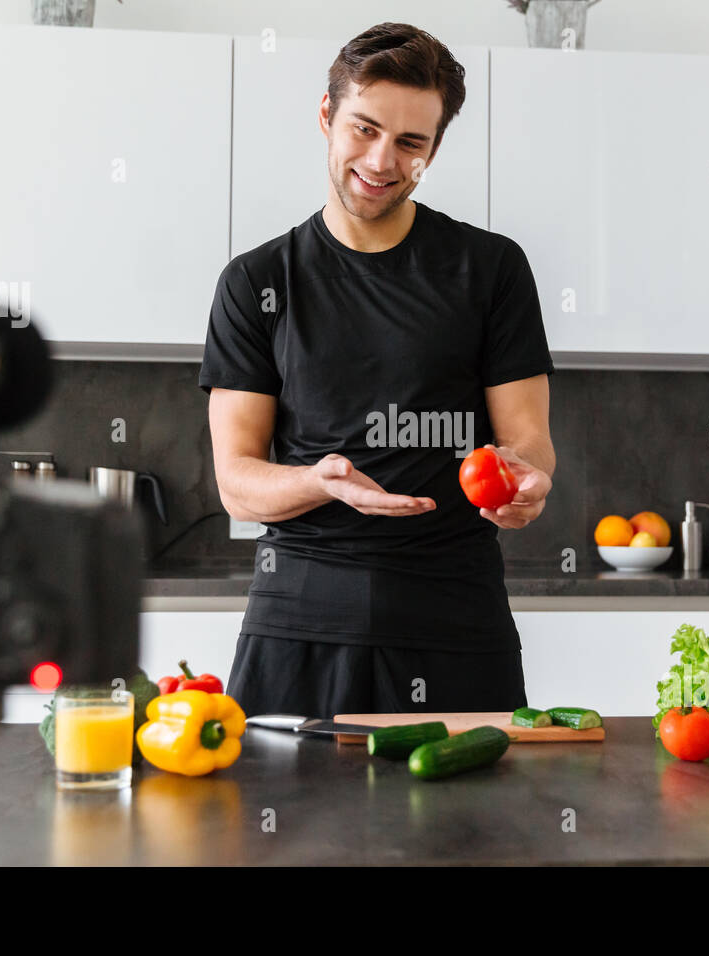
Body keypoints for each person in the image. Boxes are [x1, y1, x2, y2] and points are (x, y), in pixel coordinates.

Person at [198, 22, 555, 718]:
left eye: (410, 142)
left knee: (472, 828)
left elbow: (528, 441)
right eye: (364, 128)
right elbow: (237, 483)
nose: (382, 159)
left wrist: (525, 484)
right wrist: (318, 481)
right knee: (286, 826)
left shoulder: (491, 270)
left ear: (434, 149)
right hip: (298, 624)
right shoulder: (256, 281)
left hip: (456, 622)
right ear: (327, 115)